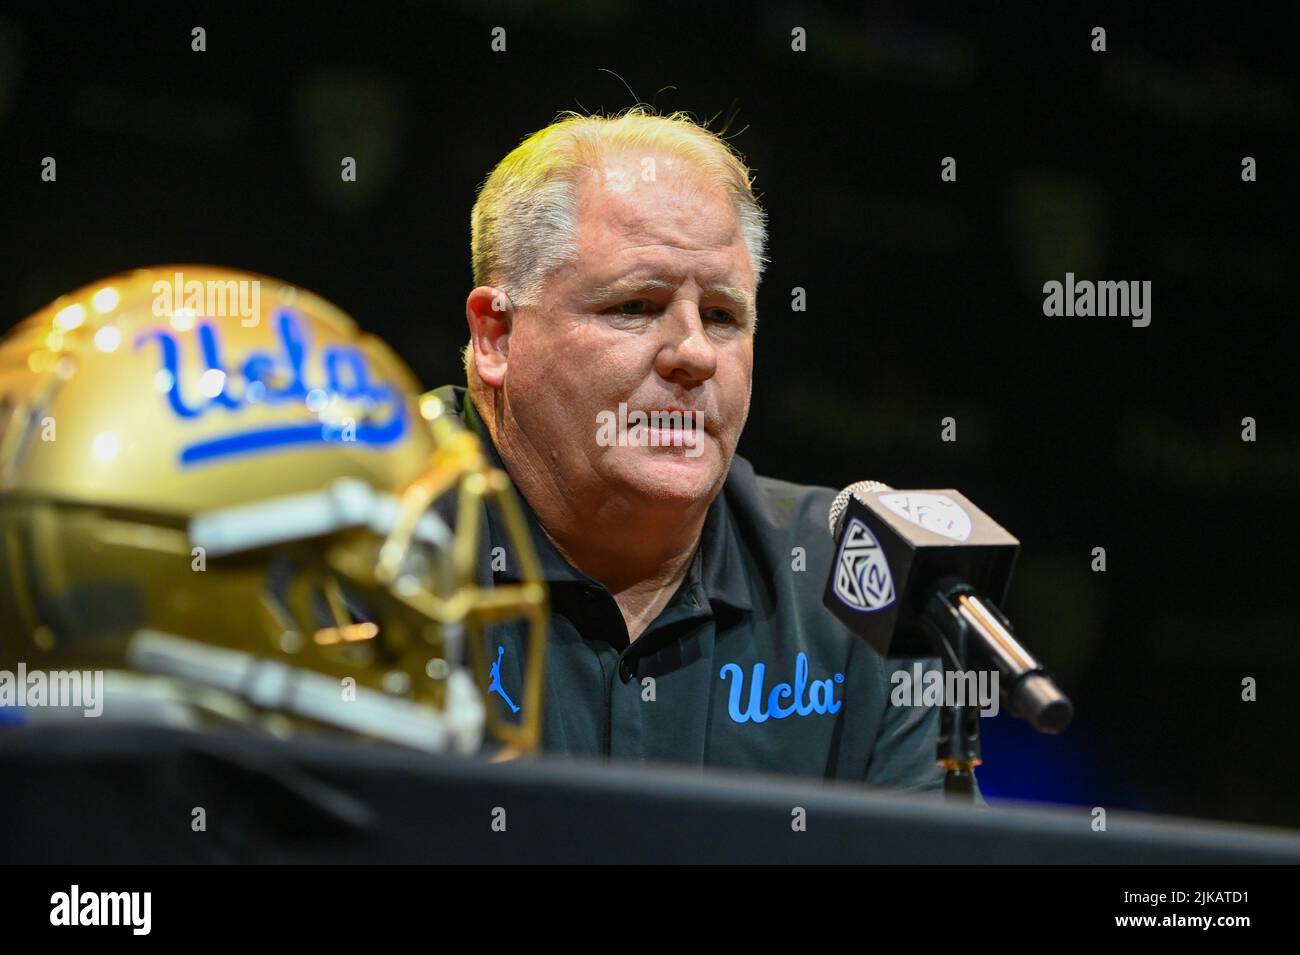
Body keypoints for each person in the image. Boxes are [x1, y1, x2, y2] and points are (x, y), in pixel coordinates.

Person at [438, 107, 948, 790]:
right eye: (637, 306)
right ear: (496, 336)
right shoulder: (357, 537)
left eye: (722, 316)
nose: (695, 354)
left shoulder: (854, 582)